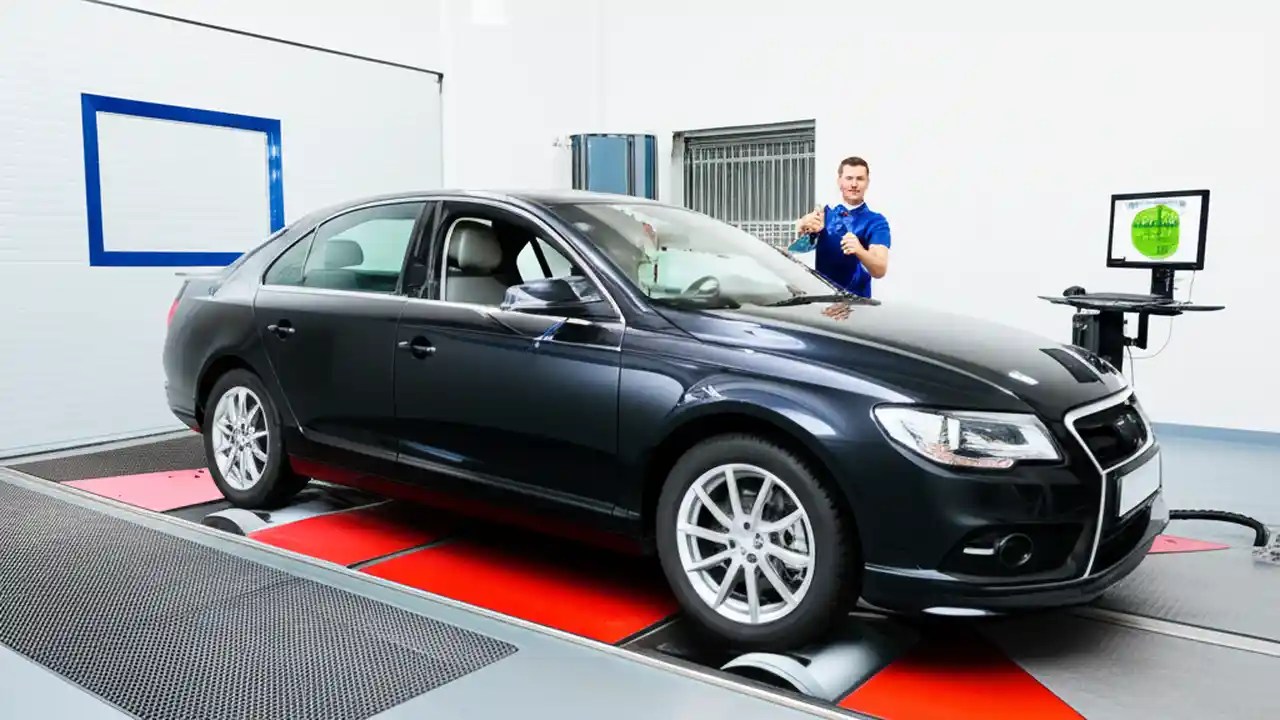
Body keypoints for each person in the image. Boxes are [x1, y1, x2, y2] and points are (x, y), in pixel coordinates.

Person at [790, 156, 891, 298]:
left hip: (856, 305)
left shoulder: (876, 222)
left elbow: (879, 270)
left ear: (867, 183)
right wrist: (801, 226)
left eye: (860, 179)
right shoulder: (824, 213)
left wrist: (859, 250)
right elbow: (796, 251)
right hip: (822, 302)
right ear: (839, 181)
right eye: (849, 178)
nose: (854, 184)